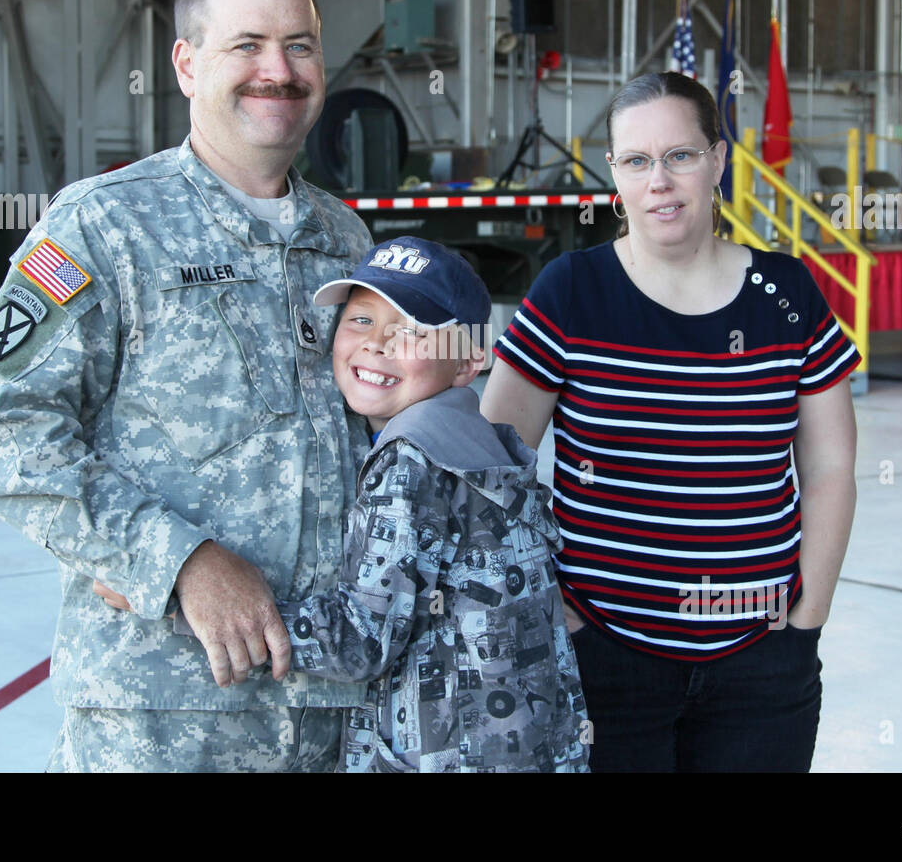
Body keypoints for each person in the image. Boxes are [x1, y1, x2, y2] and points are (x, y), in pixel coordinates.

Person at [0, 0, 374, 771]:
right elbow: (8, 440)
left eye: (300, 45)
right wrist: (180, 560)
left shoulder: (346, 240)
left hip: (332, 711)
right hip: (165, 719)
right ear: (186, 65)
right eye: (247, 43)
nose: (279, 70)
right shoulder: (101, 227)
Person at [481, 71, 861, 772]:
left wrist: (807, 618)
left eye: (681, 155)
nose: (659, 180)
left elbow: (831, 465)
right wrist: (563, 617)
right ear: (615, 176)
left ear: (719, 159)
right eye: (636, 161)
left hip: (763, 664)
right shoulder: (572, 291)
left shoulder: (787, 294)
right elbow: (492, 469)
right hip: (606, 661)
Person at [166, 237, 590, 772]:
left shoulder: (410, 461)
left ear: (469, 360)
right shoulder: (483, 440)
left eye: (412, 331)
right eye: (361, 320)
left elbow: (363, 638)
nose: (377, 344)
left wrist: (192, 608)